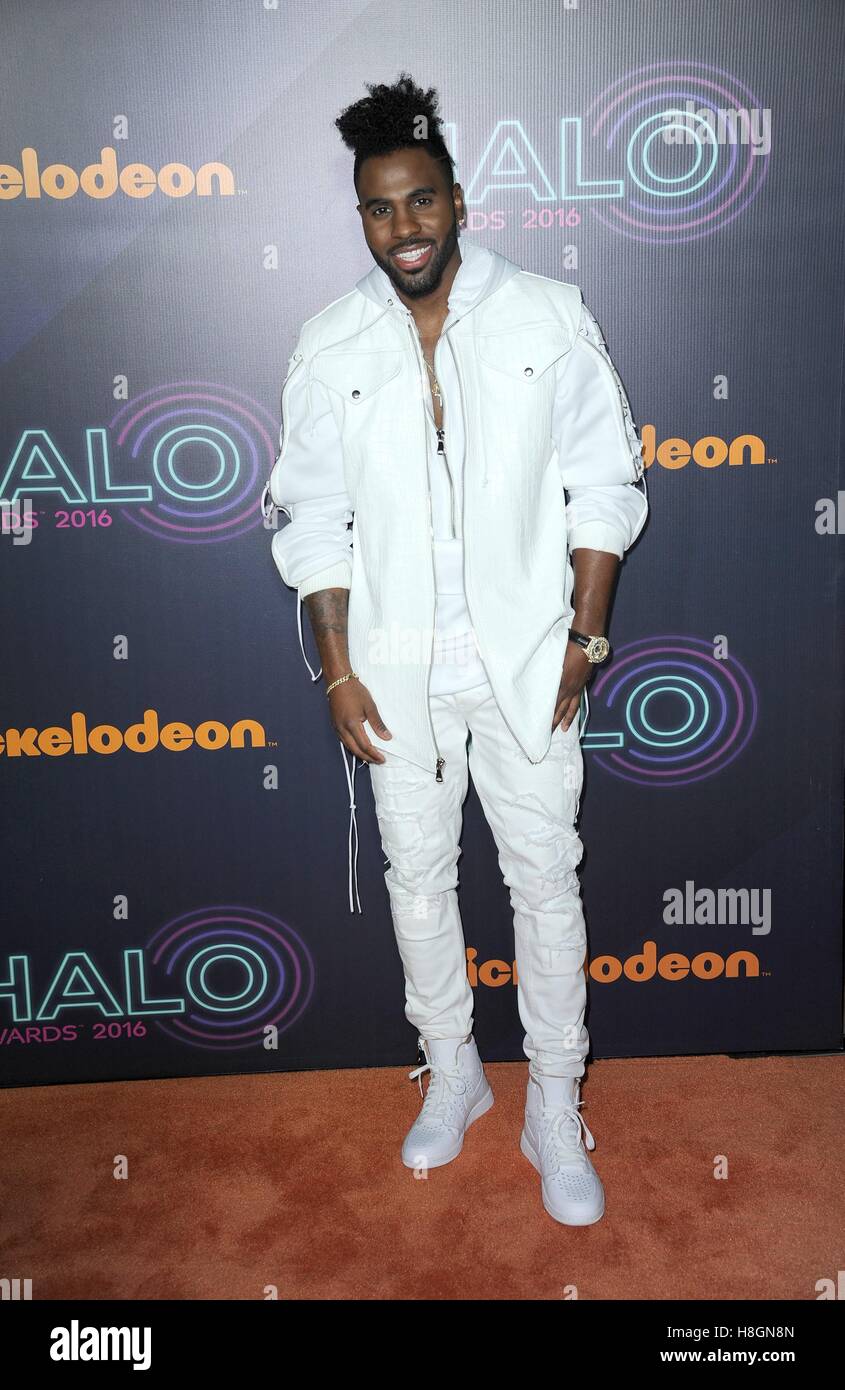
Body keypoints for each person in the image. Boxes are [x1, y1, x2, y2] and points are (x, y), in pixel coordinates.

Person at [265, 73, 649, 1227]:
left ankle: (553, 1104)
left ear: (458, 200)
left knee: (544, 881)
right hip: (393, 673)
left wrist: (584, 634)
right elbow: (312, 516)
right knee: (417, 885)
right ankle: (457, 1072)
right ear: (363, 219)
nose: (404, 229)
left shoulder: (545, 312)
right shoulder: (328, 340)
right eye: (380, 211)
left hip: (527, 662)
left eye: (420, 201)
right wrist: (335, 669)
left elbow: (604, 481)